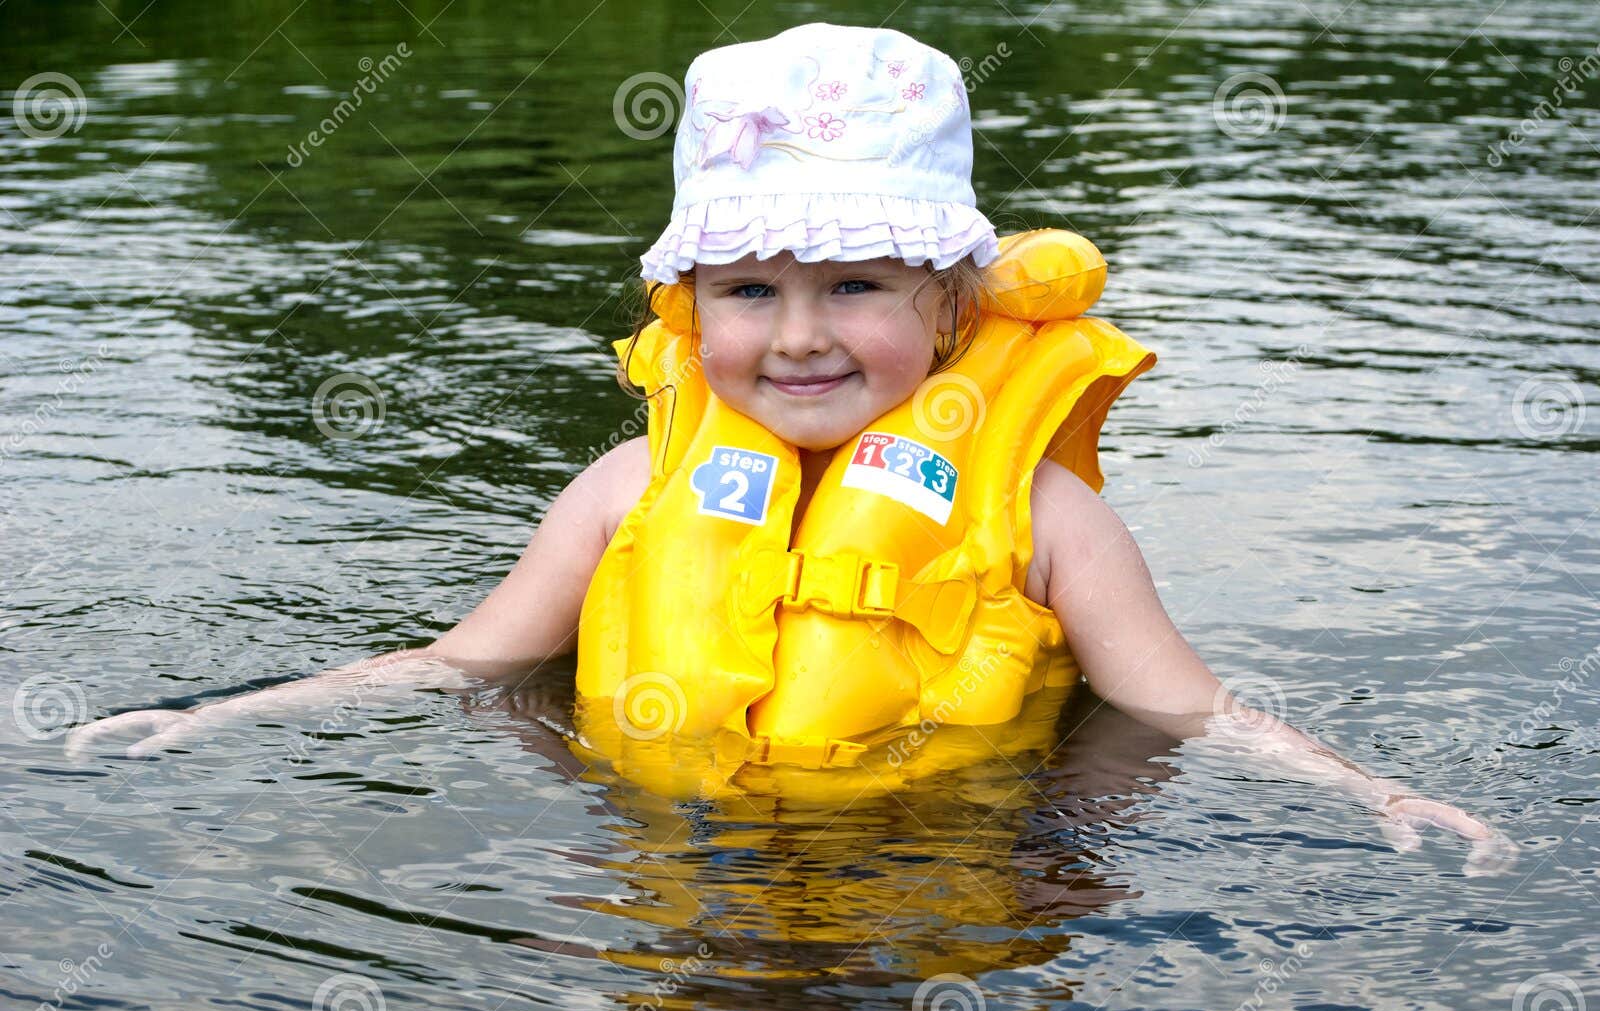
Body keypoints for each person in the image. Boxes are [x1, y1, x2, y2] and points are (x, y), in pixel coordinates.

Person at [66, 22, 1515, 875]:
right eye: (751, 290)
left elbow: (1181, 708)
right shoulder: (630, 488)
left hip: (950, 867)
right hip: (676, 868)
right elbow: (464, 664)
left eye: (857, 286)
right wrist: (225, 717)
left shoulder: (1043, 513)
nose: (801, 337)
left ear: (949, 308)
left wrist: (1372, 791)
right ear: (690, 306)